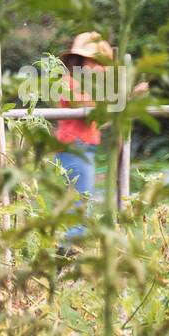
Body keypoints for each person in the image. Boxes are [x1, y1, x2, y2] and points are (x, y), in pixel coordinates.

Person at [54, 32, 114, 244]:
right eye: (94, 61)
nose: (98, 67)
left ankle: (65, 258)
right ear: (80, 61)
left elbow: (98, 119)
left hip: (83, 148)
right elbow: (83, 106)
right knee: (80, 210)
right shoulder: (70, 82)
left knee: (78, 207)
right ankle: (67, 258)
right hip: (74, 148)